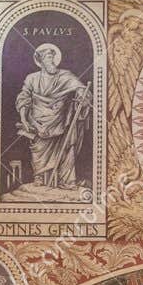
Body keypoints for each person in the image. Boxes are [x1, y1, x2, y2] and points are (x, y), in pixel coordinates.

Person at [14, 43, 91, 191]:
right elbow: (23, 98)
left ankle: (67, 181)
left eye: (53, 57)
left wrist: (82, 95)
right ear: (41, 60)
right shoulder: (32, 78)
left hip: (61, 121)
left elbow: (81, 88)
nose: (52, 60)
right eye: (48, 57)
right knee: (38, 149)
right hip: (37, 122)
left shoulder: (65, 75)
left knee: (67, 147)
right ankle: (39, 177)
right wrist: (24, 119)